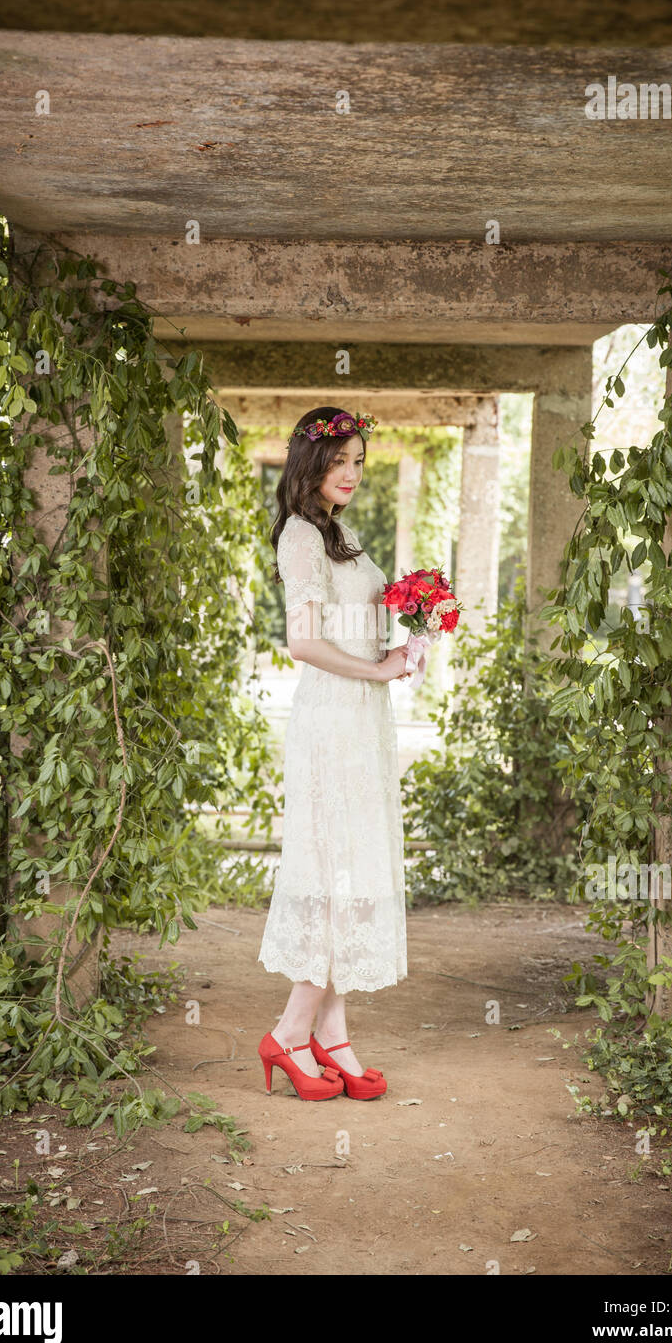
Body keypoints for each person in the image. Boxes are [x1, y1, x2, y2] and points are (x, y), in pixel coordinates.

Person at [257, 407, 410, 1101]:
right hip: (330, 720)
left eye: (357, 463)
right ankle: (289, 1035)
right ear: (309, 465)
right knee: (331, 874)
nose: (350, 474)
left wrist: (406, 639)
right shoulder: (299, 536)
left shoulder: (340, 532)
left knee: (349, 871)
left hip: (361, 719)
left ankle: (334, 1035)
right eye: (339, 461)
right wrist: (376, 669)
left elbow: (353, 628)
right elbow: (304, 642)